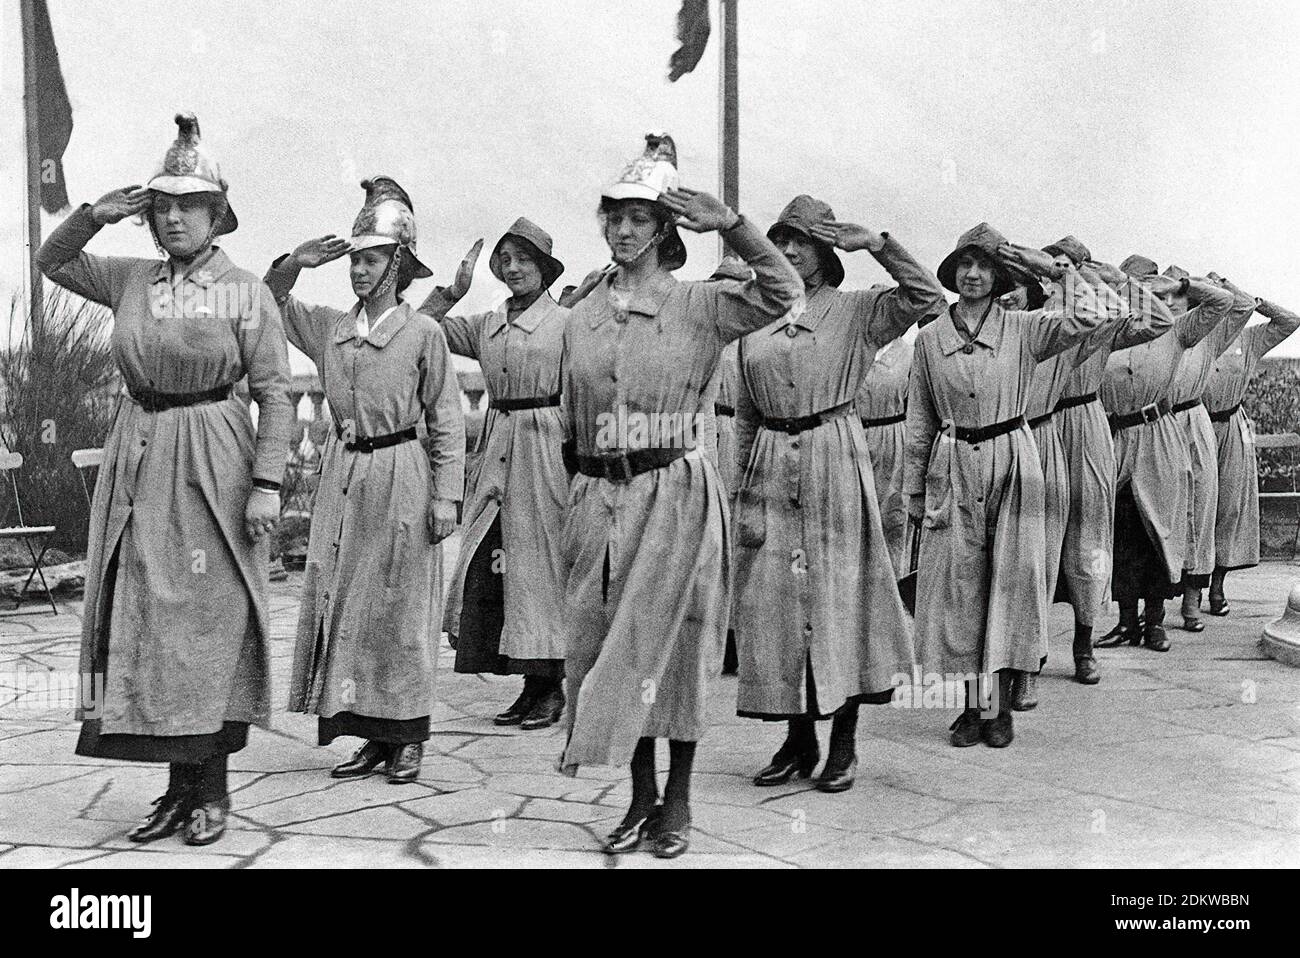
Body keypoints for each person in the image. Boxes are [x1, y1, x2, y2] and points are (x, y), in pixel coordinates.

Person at [37, 114, 293, 845]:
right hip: (137, 457)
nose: (174, 218)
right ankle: (176, 790)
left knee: (207, 619)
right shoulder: (130, 280)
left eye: (190, 205)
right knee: (149, 620)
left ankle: (211, 789)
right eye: (162, 206)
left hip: (213, 458)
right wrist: (93, 214)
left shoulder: (244, 290)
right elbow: (54, 261)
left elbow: (275, 393)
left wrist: (267, 483)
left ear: (217, 214)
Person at [558, 133, 802, 858]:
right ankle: (639, 798)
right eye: (615, 216)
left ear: (666, 229)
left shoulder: (702, 305)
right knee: (611, 646)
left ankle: (680, 801)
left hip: (675, 495)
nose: (624, 229)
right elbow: (571, 410)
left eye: (640, 217)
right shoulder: (583, 311)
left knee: (679, 646)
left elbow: (784, 291)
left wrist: (733, 224)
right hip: (599, 497)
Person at [733, 194, 944, 792]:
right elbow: (746, 413)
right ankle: (798, 739)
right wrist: (741, 491)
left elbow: (927, 298)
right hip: (770, 462)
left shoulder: (856, 312)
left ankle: (844, 743)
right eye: (780, 240)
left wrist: (878, 244)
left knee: (841, 600)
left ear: (825, 252)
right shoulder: (757, 315)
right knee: (778, 605)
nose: (788, 250)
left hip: (834, 457)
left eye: (800, 241)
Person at [264, 177, 465, 784]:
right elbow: (269, 304)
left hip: (402, 472)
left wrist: (446, 496)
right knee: (349, 603)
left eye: (371, 260)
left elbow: (447, 420)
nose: (358, 270)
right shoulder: (332, 328)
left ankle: (407, 736)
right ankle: (371, 735)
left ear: (398, 266)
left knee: (401, 606)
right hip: (343, 475)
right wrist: (294, 264)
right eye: (354, 260)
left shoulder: (423, 333)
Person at [904, 223, 1106, 749]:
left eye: (984, 266)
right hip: (953, 464)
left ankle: (998, 707)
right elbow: (920, 419)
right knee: (961, 589)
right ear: (953, 272)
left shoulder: (1024, 329)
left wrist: (1050, 268)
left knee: (1011, 585)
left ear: (999, 277)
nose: (973, 275)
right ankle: (974, 706)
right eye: (965, 265)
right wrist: (915, 491)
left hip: (1013, 462)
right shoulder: (929, 339)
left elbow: (1095, 314)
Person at [418, 219, 570, 729]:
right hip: (498, 444)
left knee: (541, 565)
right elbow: (421, 330)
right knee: (492, 559)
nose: (513, 268)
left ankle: (550, 684)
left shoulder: (566, 322)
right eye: (505, 260)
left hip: (545, 447)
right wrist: (452, 292)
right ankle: (527, 683)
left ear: (544, 268)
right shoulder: (486, 324)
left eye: (524, 259)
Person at [1096, 256, 1237, 653]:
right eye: (1132, 285)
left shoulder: (1177, 329)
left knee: (1158, 532)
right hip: (1117, 437)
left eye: (1147, 285)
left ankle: (1155, 622)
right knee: (1122, 531)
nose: (1139, 292)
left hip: (1158, 435)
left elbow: (1223, 302)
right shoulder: (1110, 328)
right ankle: (1126, 621)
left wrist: (1180, 286)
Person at [1050, 250, 1175, 683]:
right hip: (1036, 427)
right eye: (1055, 268)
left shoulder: (1102, 319)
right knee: (1032, 544)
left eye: (1071, 268)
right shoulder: (1029, 316)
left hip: (1086, 424)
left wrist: (1117, 281)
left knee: (1090, 539)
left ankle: (1083, 645)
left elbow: (1157, 320)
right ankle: (1027, 655)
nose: (1063, 276)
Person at [1160, 267, 1257, 631]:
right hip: (1162, 424)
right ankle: (1152, 606)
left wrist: (1208, 284)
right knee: (1163, 511)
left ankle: (1192, 600)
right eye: (1166, 298)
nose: (1173, 303)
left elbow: (1241, 304)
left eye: (1179, 297)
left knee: (1202, 509)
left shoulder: (1210, 336)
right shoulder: (1153, 332)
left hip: (1195, 421)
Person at [1203, 294, 1300, 613]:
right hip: (1195, 422)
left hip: (1232, 425)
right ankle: (1190, 590)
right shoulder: (1195, 333)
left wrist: (1256, 302)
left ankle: (1217, 586)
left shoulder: (1248, 338)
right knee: (1196, 504)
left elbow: (1290, 321)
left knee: (1230, 506)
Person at [855, 329, 916, 574]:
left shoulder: (909, 354)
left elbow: (918, 408)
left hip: (893, 441)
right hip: (853, 439)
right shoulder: (852, 350)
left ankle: (891, 583)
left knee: (892, 516)